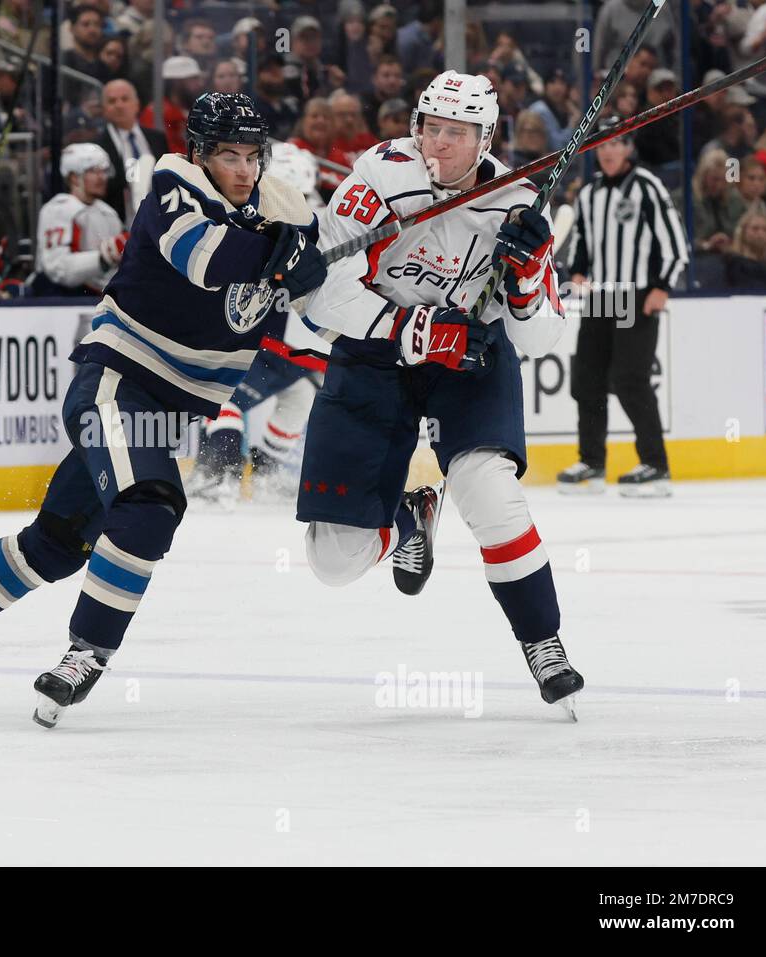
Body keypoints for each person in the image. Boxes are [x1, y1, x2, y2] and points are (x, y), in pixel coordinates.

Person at [0, 92, 326, 727]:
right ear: (200, 154)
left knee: (57, 545)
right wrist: (287, 258)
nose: (242, 170)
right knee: (151, 505)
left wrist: (318, 273)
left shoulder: (281, 222)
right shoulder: (173, 186)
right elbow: (209, 259)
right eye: (227, 155)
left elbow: (314, 319)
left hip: (169, 414)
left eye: (252, 157)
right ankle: (88, 653)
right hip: (115, 385)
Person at [299, 70, 585, 715]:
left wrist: (523, 277)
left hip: (470, 358)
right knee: (333, 562)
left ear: (484, 139)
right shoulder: (378, 176)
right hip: (375, 355)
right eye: (431, 128)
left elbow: (540, 337)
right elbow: (322, 294)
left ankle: (544, 644)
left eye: (456, 134)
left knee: (492, 496)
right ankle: (409, 516)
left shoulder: (515, 204)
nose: (438, 145)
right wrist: (412, 329)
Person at [187, 141, 327, 508]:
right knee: (298, 398)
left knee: (224, 395)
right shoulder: (325, 217)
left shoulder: (264, 216)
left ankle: (220, 473)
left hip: (274, 338)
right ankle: (267, 473)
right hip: (313, 347)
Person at [561, 117, 689, 497]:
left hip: (637, 294)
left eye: (616, 144)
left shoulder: (647, 187)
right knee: (587, 380)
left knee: (630, 380)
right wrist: (579, 272)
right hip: (603, 296)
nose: (608, 152)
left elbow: (675, 244)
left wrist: (662, 287)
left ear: (629, 147)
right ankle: (592, 463)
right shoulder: (589, 194)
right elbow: (582, 243)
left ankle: (655, 464)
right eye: (602, 146)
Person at [32, 142, 126, 297]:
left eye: (104, 171)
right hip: (60, 300)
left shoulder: (109, 214)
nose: (101, 177)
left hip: (99, 298)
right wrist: (104, 258)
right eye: (92, 171)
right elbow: (58, 269)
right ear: (74, 177)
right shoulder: (59, 209)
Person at [95, 78, 168, 226]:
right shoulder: (97, 147)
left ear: (137, 104)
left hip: (160, 221)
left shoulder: (157, 138)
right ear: (104, 109)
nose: (119, 105)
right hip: (120, 224)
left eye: (125, 99)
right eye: (112, 101)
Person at [139, 56, 204, 155]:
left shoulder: (195, 109)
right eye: (193, 79)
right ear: (176, 82)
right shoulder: (156, 112)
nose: (199, 84)